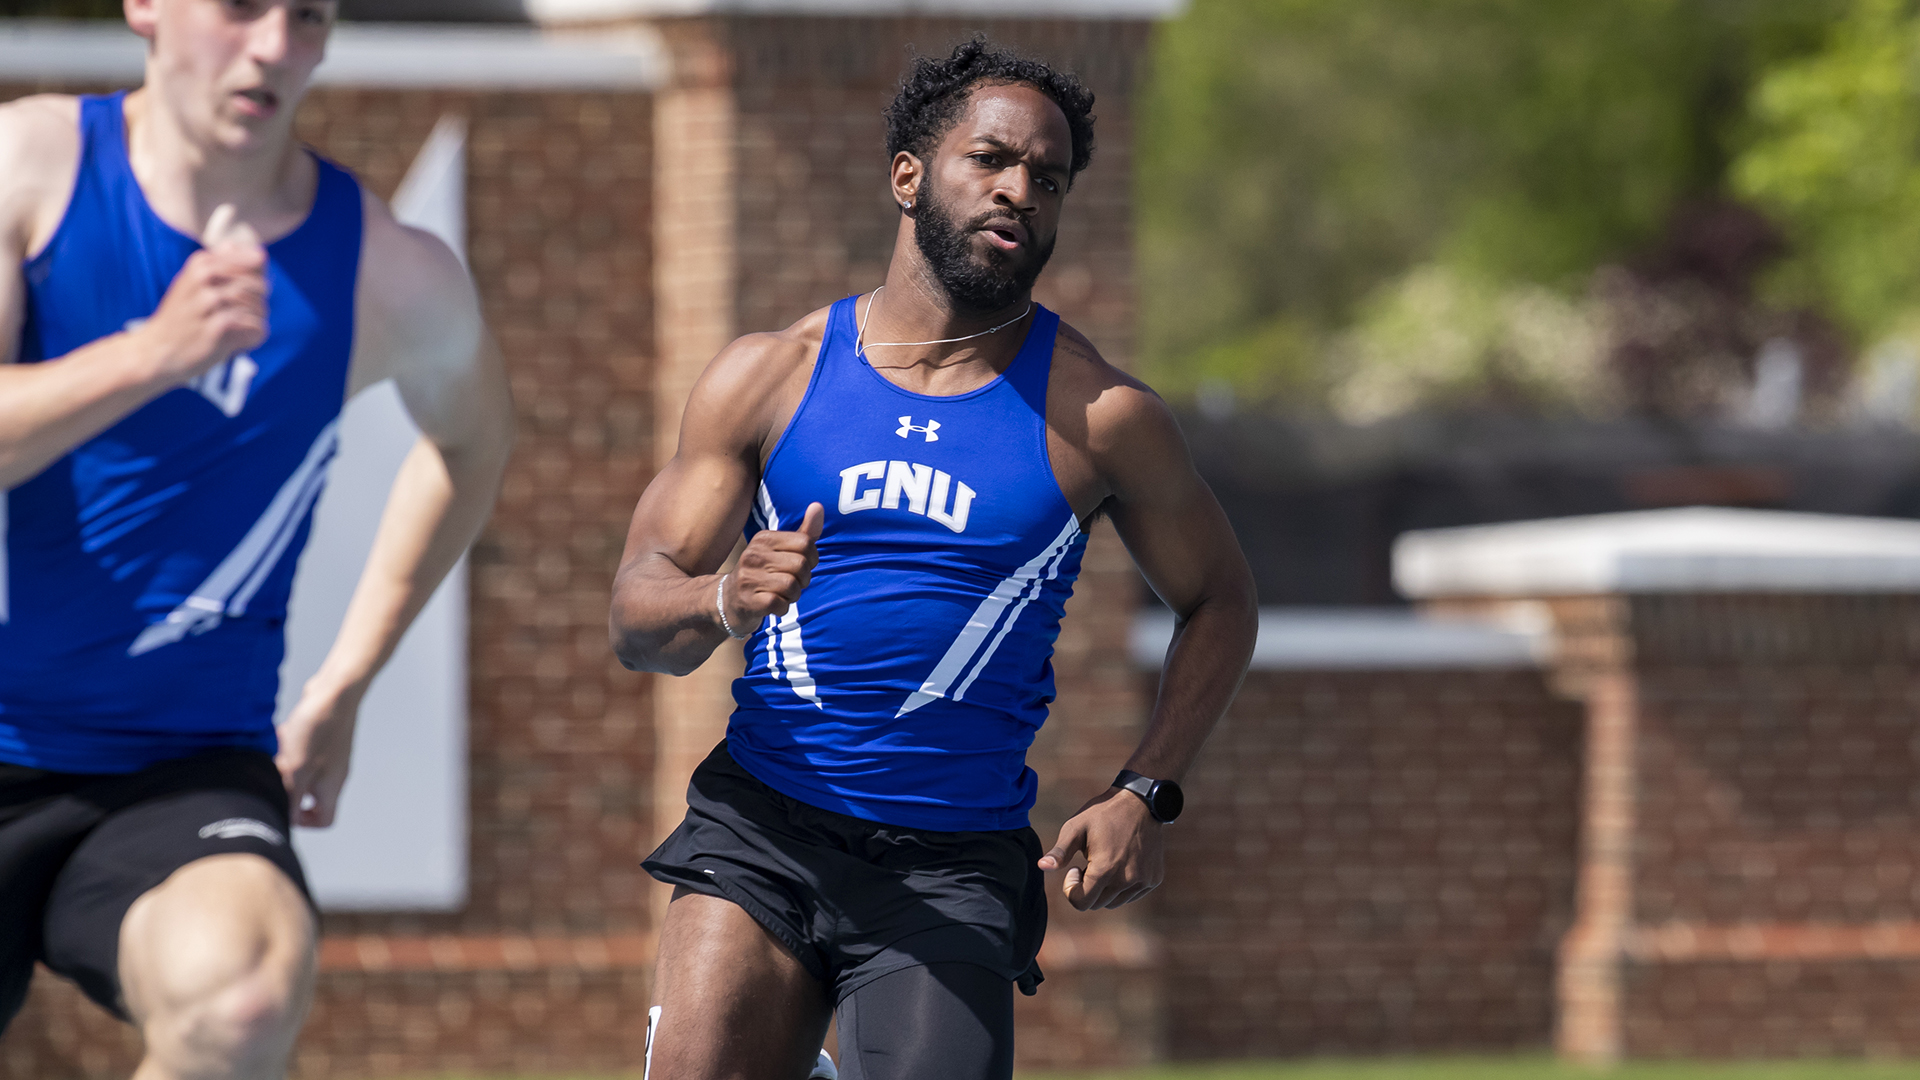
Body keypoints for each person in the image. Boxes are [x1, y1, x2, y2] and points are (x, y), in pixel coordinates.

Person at [610, 38, 1257, 1080]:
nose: (1020, 192)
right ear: (908, 176)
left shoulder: (1101, 416)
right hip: (761, 822)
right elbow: (638, 619)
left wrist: (1147, 791)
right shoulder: (770, 377)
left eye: (1048, 179)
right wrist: (722, 596)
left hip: (952, 862)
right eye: (990, 160)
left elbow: (1221, 600)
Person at [0, 1, 514, 1076]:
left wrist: (349, 677)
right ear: (146, 6)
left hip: (179, 768)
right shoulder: (31, 168)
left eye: (308, 16)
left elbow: (471, 446)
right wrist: (155, 352)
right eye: (241, 7)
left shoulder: (382, 270)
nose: (276, 47)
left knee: (239, 996)